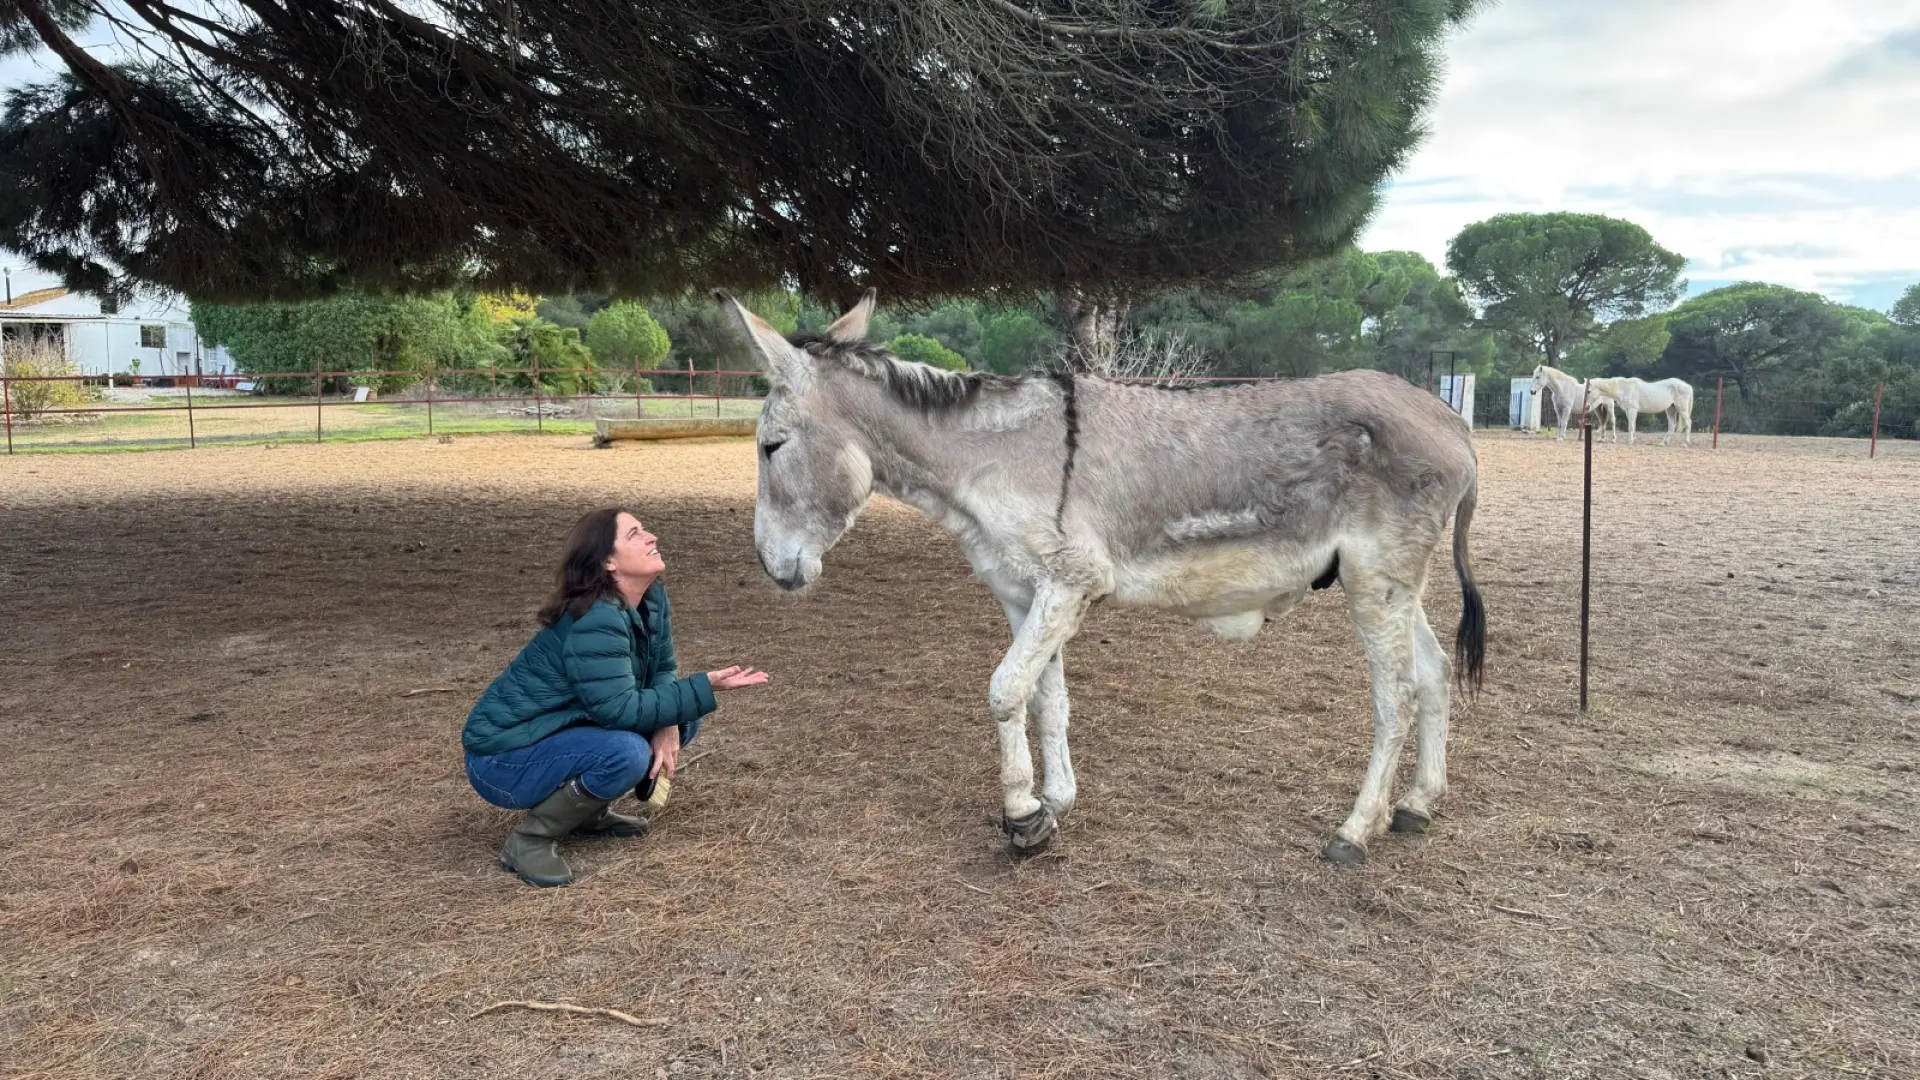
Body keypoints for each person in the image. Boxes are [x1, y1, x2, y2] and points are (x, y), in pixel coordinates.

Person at [462, 507, 767, 886]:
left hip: (555, 735)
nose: (651, 537)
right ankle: (529, 840)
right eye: (635, 534)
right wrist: (705, 686)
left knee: (685, 716)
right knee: (628, 752)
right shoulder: (596, 618)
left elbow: (663, 668)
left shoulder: (650, 597)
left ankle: (587, 813)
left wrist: (669, 722)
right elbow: (619, 709)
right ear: (608, 561)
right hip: (501, 761)